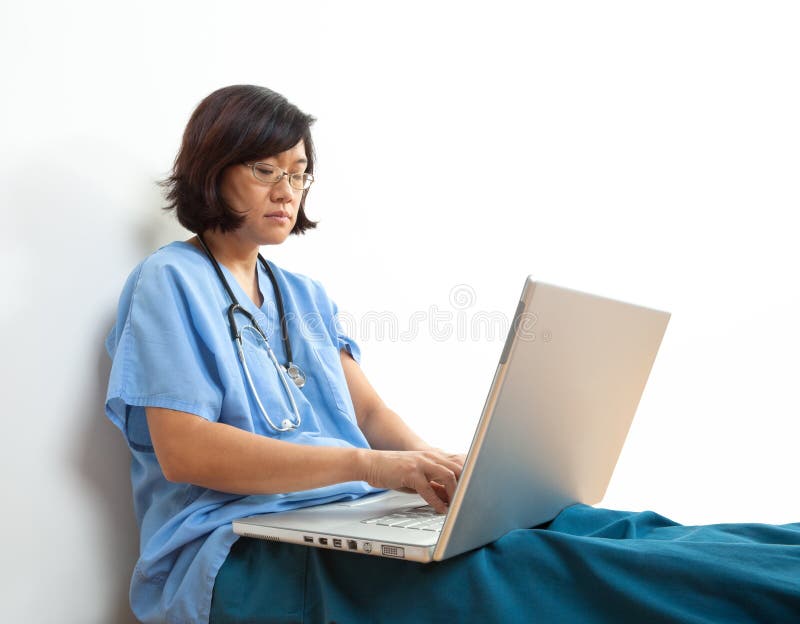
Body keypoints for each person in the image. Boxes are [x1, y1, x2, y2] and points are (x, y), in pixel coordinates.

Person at [106, 85, 800, 624]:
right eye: (266, 170)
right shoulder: (169, 283)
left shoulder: (302, 294)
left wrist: (437, 474)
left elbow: (368, 409)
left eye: (301, 173)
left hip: (342, 516)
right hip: (240, 553)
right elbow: (186, 453)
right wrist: (374, 467)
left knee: (599, 530)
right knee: (539, 567)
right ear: (212, 169)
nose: (288, 191)